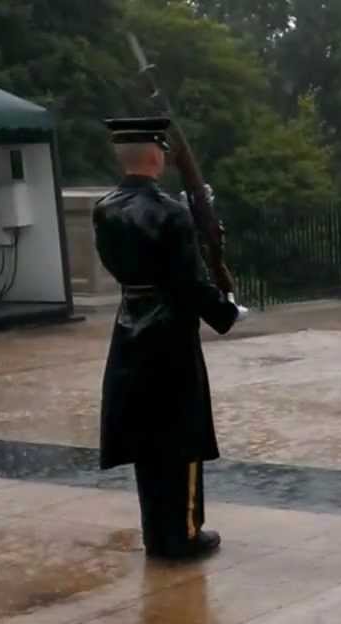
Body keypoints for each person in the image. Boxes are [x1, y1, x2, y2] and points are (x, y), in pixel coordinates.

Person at [94, 116, 246, 561]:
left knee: (145, 437)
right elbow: (189, 281)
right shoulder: (171, 213)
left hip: (130, 327)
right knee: (182, 436)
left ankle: (155, 533)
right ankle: (183, 533)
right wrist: (226, 312)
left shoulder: (104, 208)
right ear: (157, 155)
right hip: (171, 334)